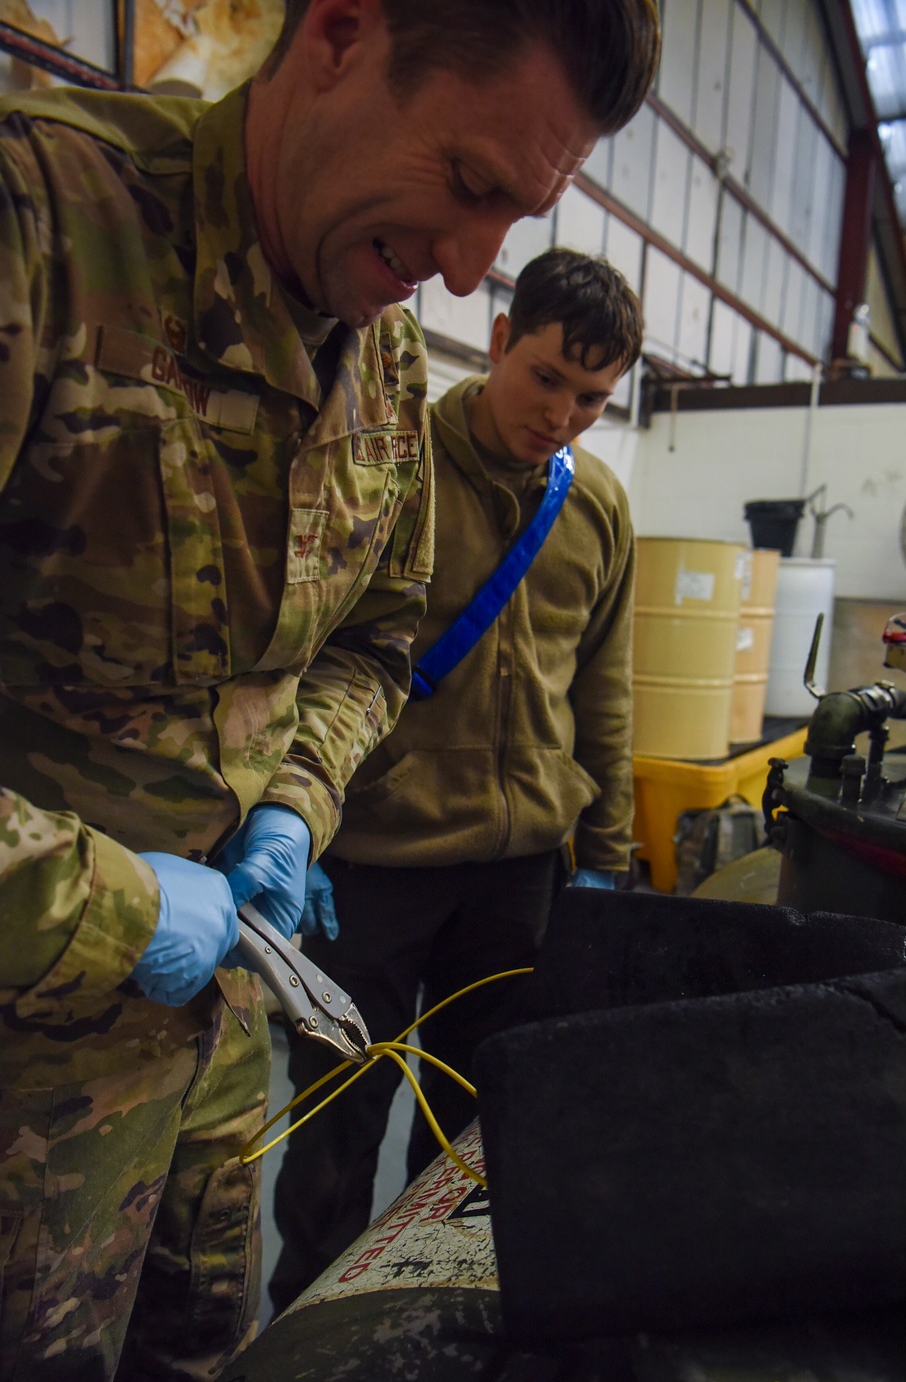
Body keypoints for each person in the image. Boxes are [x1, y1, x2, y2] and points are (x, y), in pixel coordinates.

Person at [0, 0, 661, 1382]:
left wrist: (294, 797)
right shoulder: (17, 225)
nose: (467, 276)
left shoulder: (381, 355)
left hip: (214, 1060)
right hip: (4, 1101)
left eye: (508, 220)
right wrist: (114, 907)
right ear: (338, 36)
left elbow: (370, 644)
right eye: (466, 186)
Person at [271, 246, 644, 1312]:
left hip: (520, 878)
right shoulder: (390, 465)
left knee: (488, 1125)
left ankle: (447, 1319)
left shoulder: (598, 509)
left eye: (591, 397)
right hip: (376, 865)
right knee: (338, 1118)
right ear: (495, 341)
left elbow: (605, 695)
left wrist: (606, 865)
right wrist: (296, 817)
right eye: (545, 378)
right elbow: (304, 653)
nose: (562, 414)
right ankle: (308, 1329)